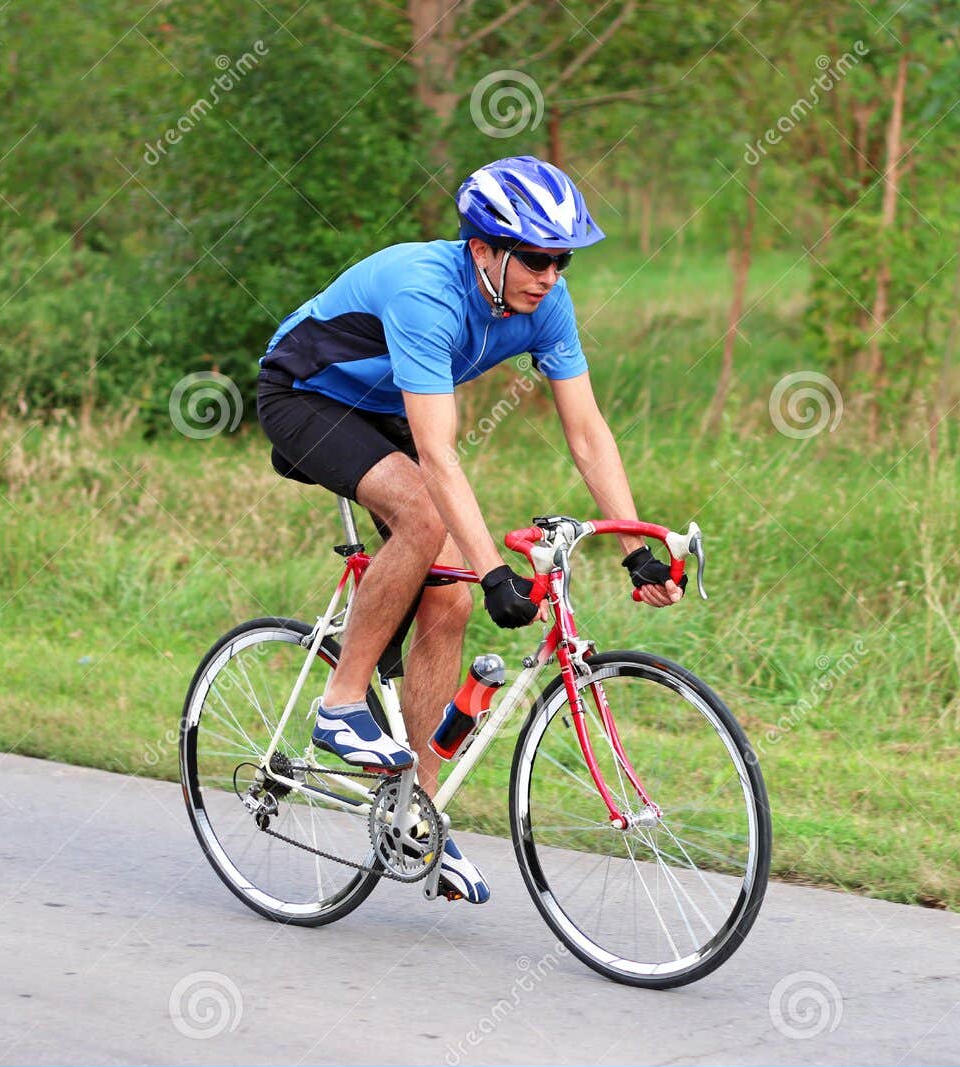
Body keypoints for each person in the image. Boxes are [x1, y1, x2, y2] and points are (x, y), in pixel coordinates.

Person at [254, 155, 684, 904]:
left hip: (385, 406)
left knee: (447, 598)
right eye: (537, 259)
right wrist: (495, 571)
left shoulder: (546, 303)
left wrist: (635, 546)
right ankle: (341, 703)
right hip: (305, 396)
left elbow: (585, 431)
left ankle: (414, 816)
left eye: (563, 260)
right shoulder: (429, 292)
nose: (552, 276)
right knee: (424, 517)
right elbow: (438, 455)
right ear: (483, 249)